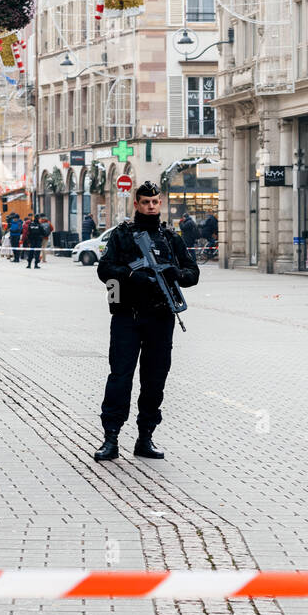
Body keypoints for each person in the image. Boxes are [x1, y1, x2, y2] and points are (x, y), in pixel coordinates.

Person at [92, 181, 199, 462]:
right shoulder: (122, 235)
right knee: (120, 377)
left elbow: (193, 272)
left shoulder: (170, 237)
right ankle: (111, 437)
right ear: (136, 204)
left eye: (155, 202)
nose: (151, 207)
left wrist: (176, 274)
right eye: (145, 203)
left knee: (154, 380)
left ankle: (145, 437)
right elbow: (105, 270)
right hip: (127, 316)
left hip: (161, 318)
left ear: (160, 203)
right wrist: (130, 274)